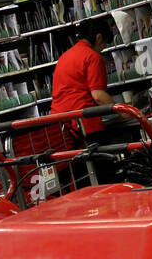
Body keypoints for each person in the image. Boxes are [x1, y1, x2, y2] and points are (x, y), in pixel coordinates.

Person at [50, 21, 120, 185]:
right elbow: (98, 95)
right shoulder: (92, 56)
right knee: (104, 176)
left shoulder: (65, 56)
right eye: (103, 45)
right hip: (85, 124)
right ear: (98, 37)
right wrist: (123, 111)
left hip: (62, 126)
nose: (102, 49)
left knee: (81, 178)